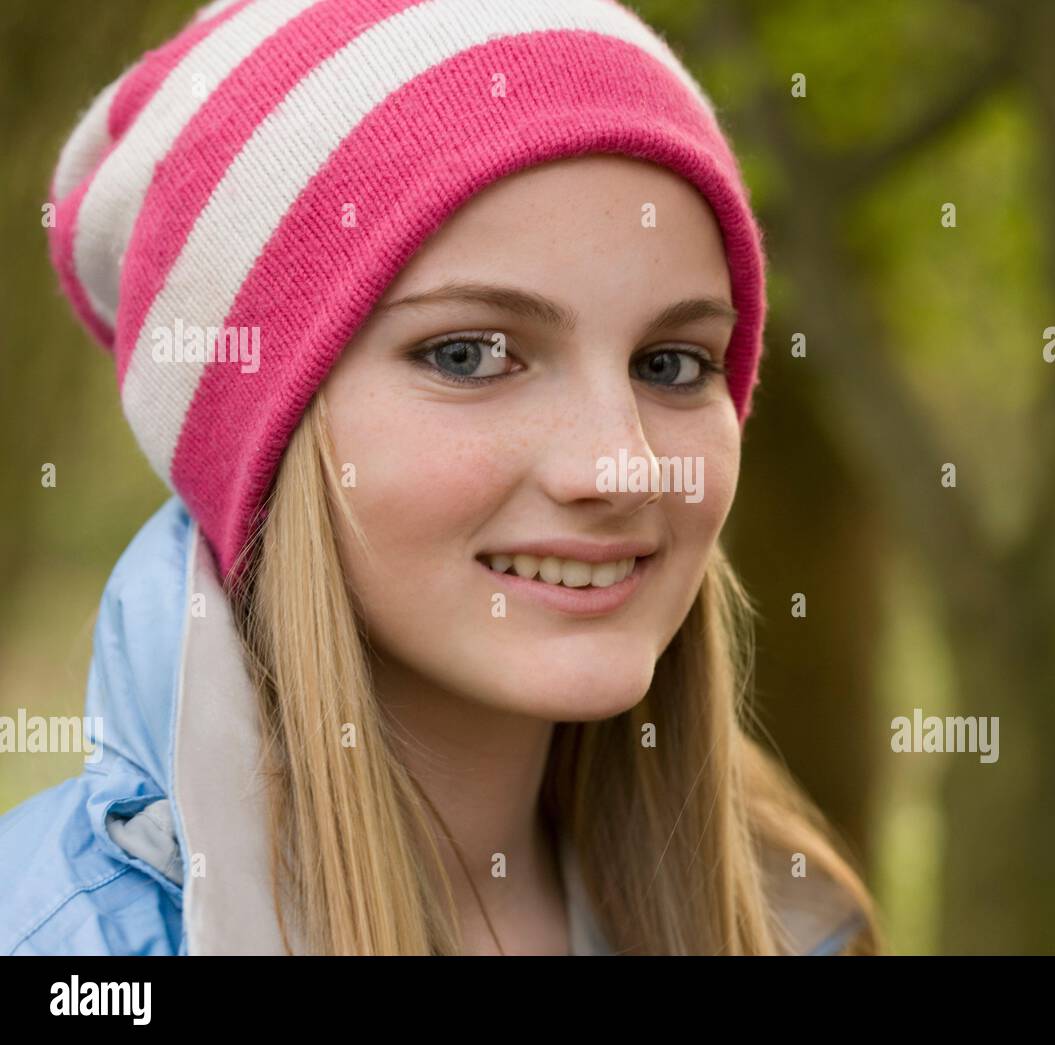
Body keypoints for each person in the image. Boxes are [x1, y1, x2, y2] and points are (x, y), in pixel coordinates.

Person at [0, 0, 880, 955]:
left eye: (670, 363)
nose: (618, 464)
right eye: (468, 354)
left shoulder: (795, 920)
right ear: (259, 443)